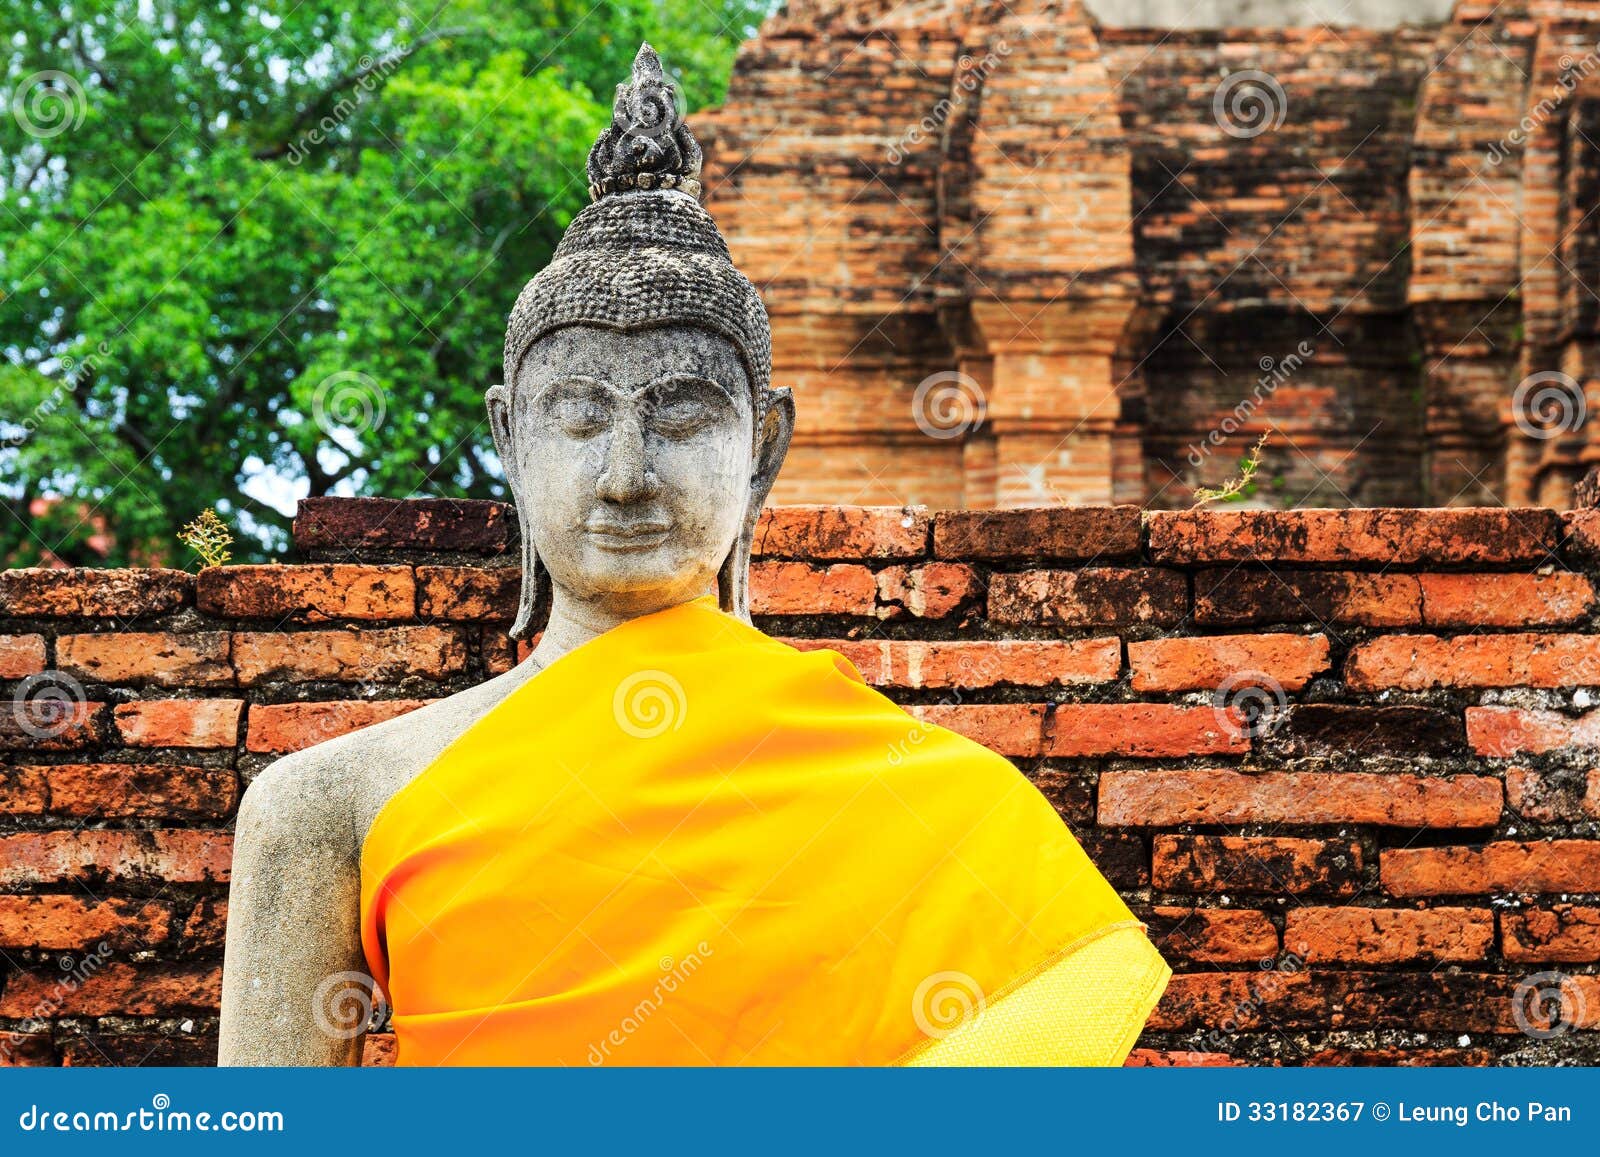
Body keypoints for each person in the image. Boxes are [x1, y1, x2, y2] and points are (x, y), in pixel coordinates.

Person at [218, 44, 1171, 1067]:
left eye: (680, 415)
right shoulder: (329, 803)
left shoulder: (924, 797)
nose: (625, 474)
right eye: (578, 418)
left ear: (763, 446)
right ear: (508, 436)